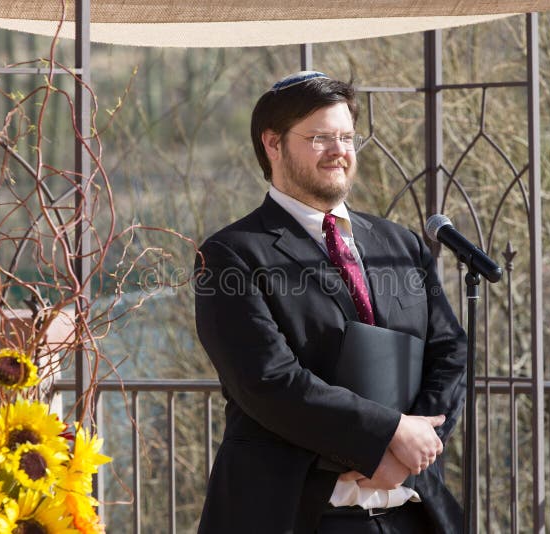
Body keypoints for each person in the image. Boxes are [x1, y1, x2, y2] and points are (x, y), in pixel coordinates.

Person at [194, 71, 467, 534]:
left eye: (346, 137)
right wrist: (384, 437)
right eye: (321, 137)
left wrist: (415, 445)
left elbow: (451, 351)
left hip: (414, 513)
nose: (340, 151)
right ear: (273, 144)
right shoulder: (229, 255)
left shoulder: (399, 244)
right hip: (301, 515)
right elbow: (269, 382)